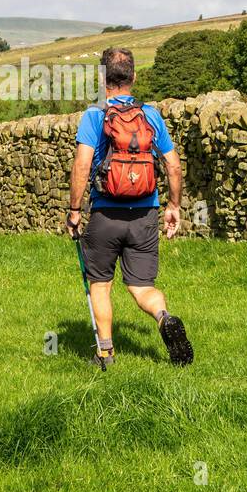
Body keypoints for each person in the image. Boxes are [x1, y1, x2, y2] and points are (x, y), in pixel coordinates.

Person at [66, 47, 194, 368]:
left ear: (102, 79)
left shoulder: (95, 115)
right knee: (141, 287)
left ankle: (105, 354)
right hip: (145, 213)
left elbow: (82, 165)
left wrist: (74, 210)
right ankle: (164, 318)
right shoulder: (150, 115)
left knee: (101, 283)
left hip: (106, 215)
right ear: (133, 77)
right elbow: (173, 166)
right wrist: (173, 206)